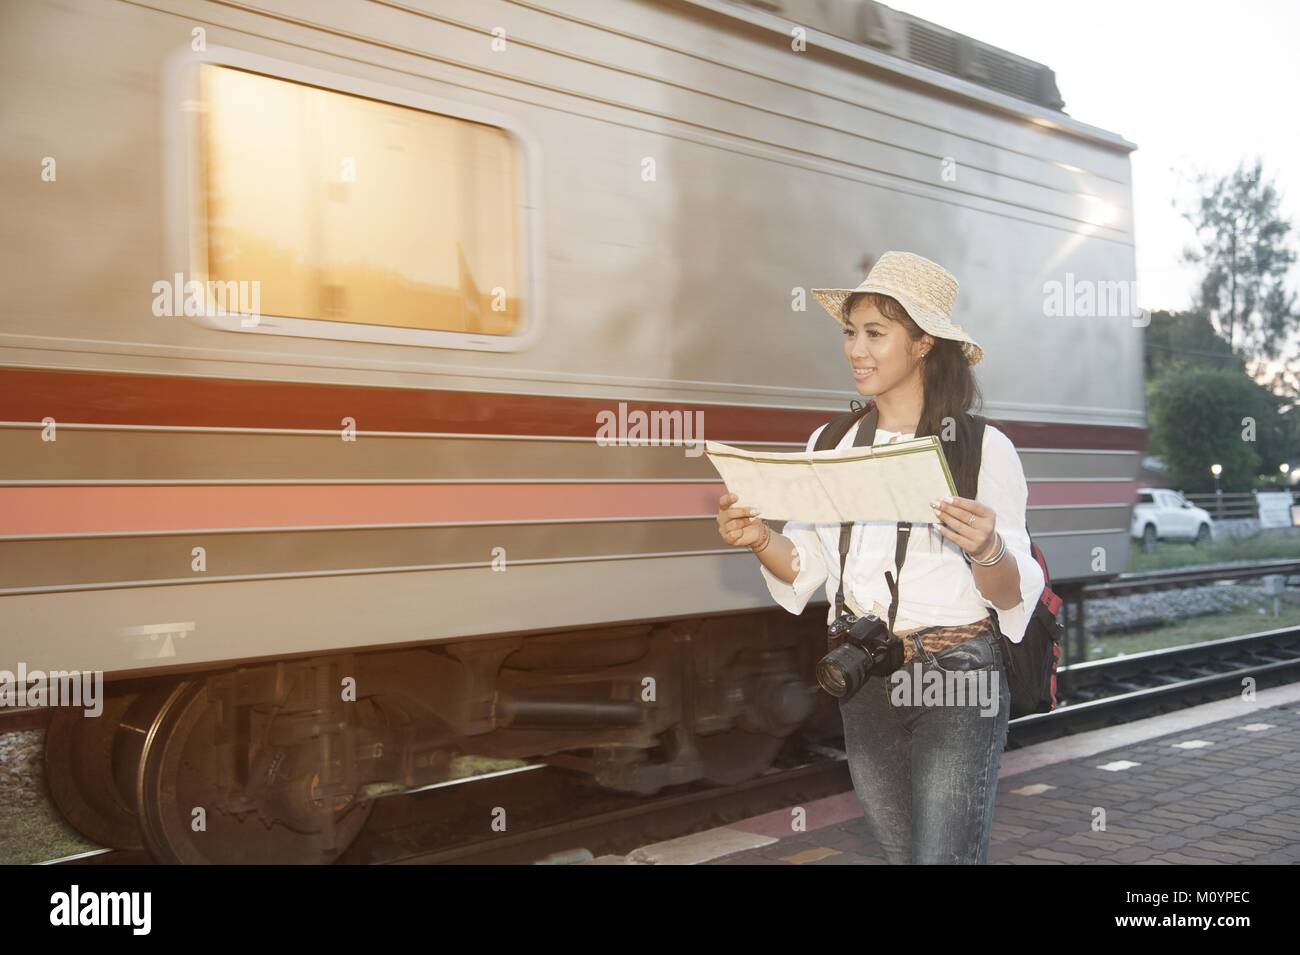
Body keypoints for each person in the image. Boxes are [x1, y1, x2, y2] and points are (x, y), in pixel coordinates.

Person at [715, 250, 1045, 864]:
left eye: (875, 333)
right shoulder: (831, 442)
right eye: (849, 332)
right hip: (863, 675)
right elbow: (806, 565)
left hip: (957, 674)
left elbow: (1010, 593)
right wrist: (759, 539)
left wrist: (989, 547)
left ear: (922, 344)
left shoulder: (982, 449)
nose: (855, 350)